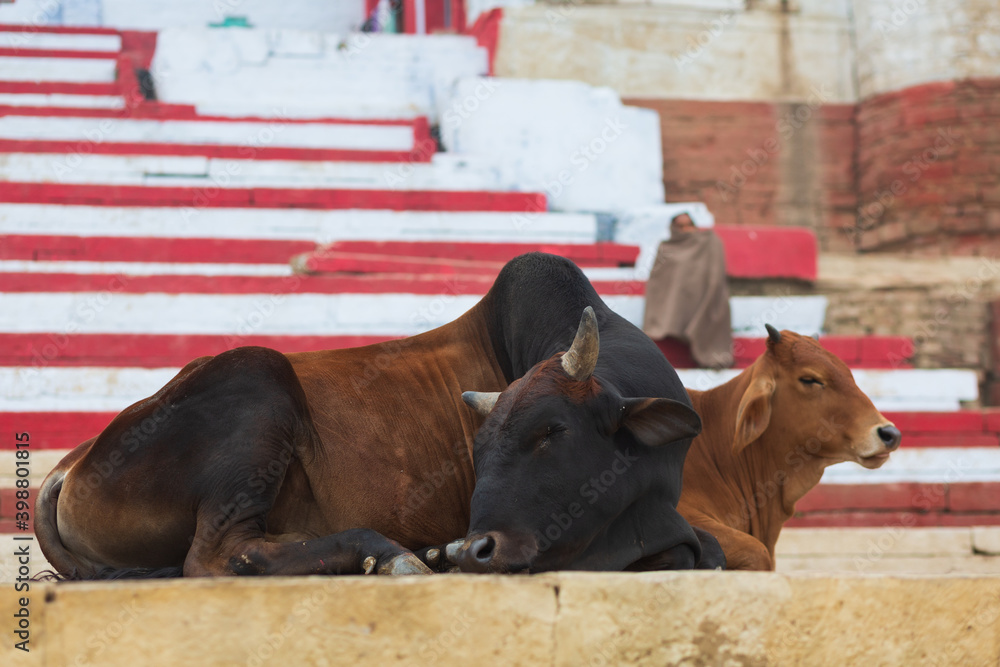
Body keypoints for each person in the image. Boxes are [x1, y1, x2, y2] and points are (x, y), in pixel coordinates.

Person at [642, 212, 734, 369]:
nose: (686, 229)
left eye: (689, 225)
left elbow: (716, 276)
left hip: (704, 296)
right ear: (672, 229)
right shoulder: (666, 248)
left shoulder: (709, 242)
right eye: (680, 226)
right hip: (677, 303)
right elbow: (658, 284)